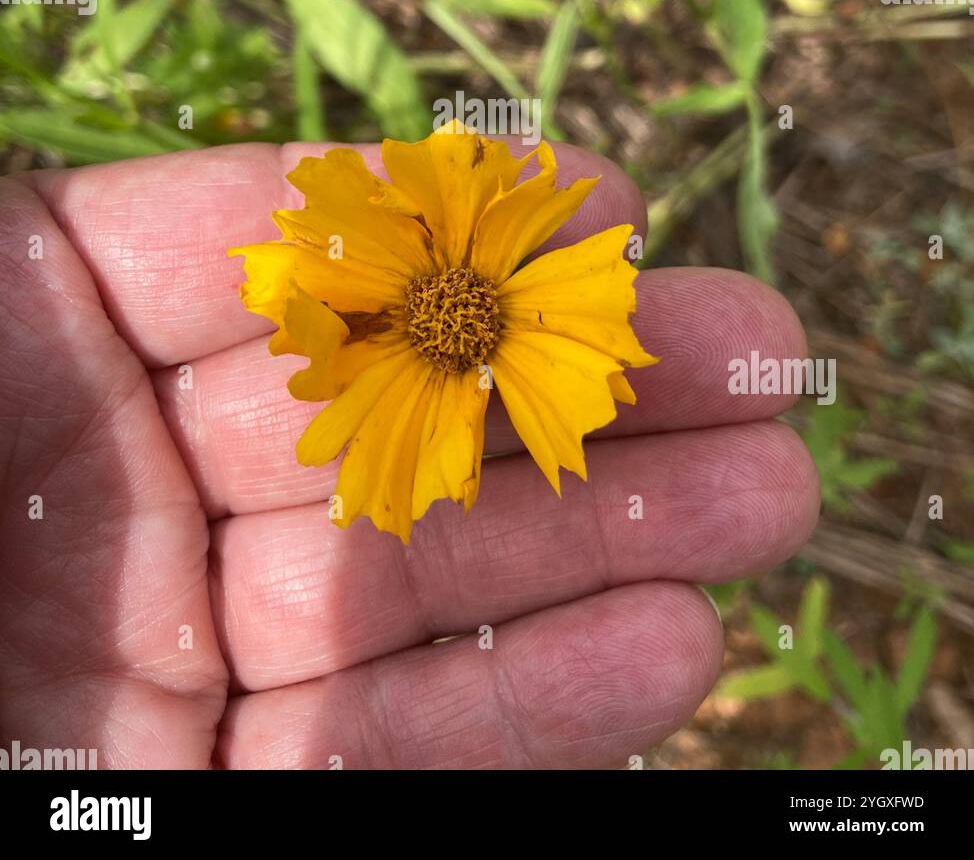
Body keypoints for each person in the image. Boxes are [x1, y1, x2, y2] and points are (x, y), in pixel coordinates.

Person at [0, 140, 819, 769]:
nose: (453, 318)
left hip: (512, 300)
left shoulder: (486, 274)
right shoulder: (364, 321)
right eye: (446, 314)